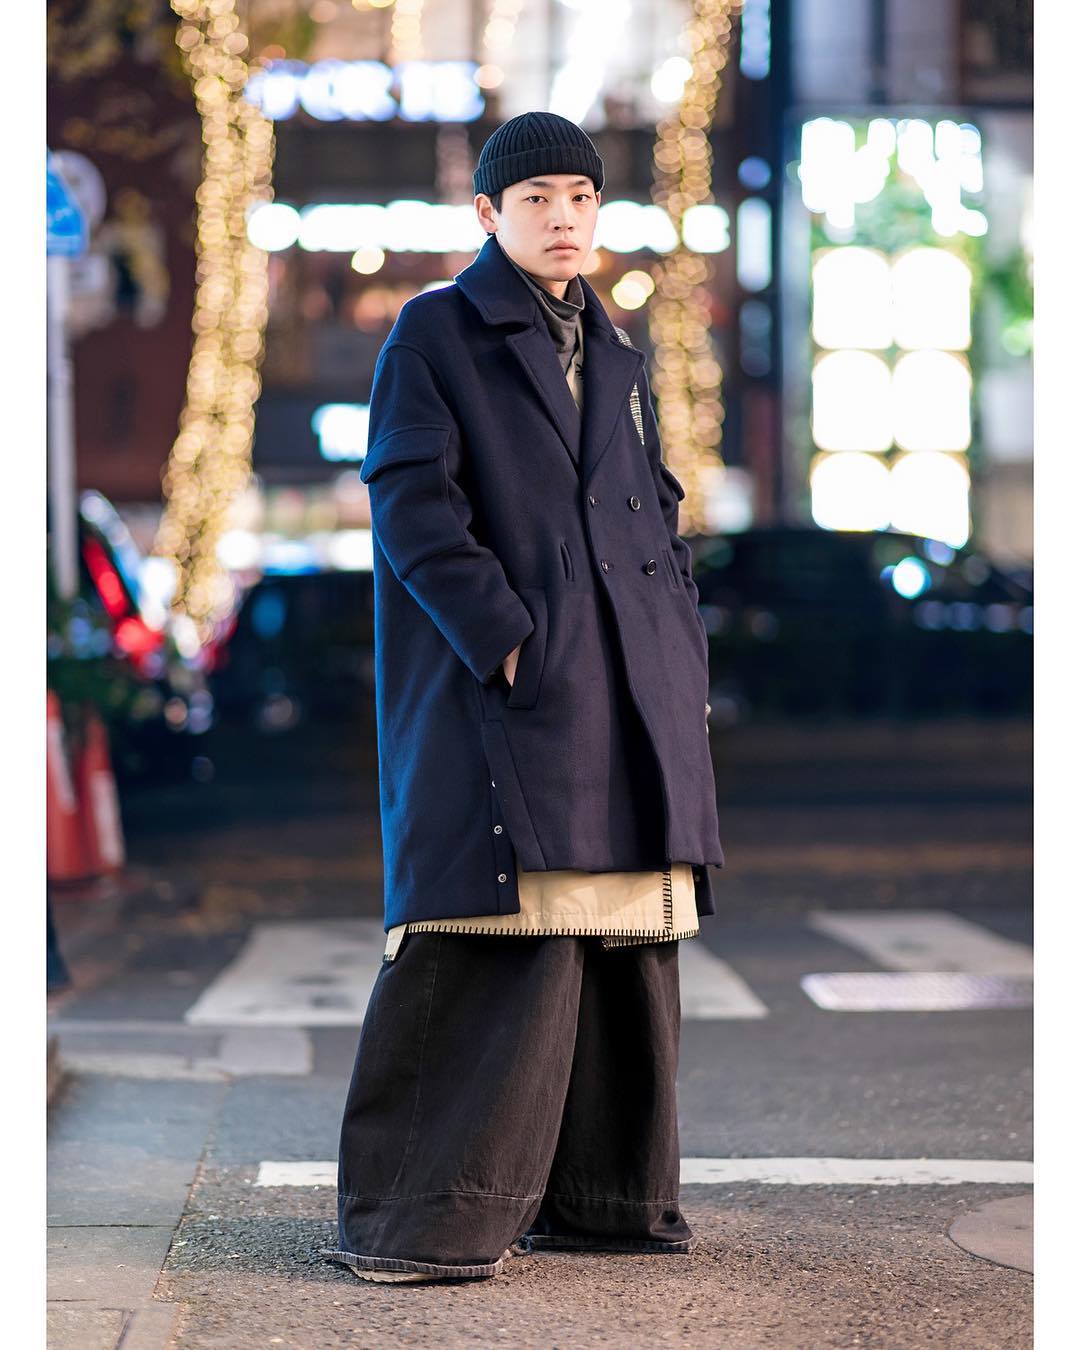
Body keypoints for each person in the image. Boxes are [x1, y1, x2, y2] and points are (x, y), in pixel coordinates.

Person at [325, 111, 725, 1285]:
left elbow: (653, 504)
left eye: (582, 197)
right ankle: (421, 1219)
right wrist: (508, 640)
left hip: (627, 688)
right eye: (538, 197)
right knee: (498, 938)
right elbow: (410, 503)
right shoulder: (435, 332)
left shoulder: (616, 341)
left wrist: (675, 643)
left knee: (619, 942)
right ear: (489, 214)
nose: (563, 217)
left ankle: (606, 1200)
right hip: (519, 690)